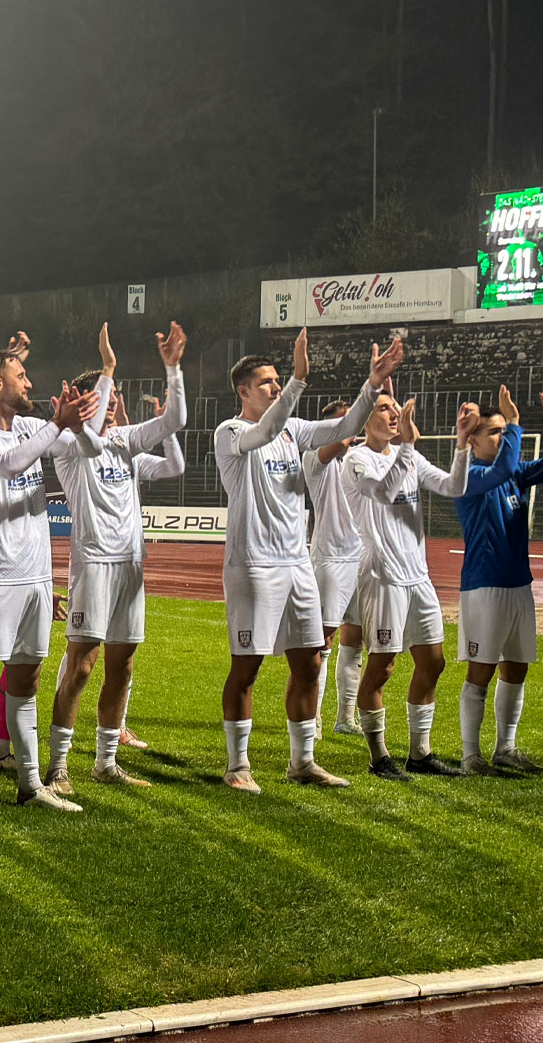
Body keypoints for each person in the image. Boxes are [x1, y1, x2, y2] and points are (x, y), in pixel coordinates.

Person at [214, 330, 402, 793]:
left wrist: (372, 387)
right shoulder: (232, 432)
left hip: (297, 564)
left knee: (309, 663)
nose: (276, 387)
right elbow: (266, 431)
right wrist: (298, 382)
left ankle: (303, 761)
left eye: (278, 381)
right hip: (253, 566)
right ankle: (238, 765)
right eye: (267, 382)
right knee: (247, 668)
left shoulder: (293, 431)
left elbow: (342, 429)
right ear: (242, 391)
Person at [0, 325, 102, 821]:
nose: (29, 382)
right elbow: (12, 465)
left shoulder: (36, 427)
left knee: (27, 681)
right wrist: (58, 425)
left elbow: (91, 453)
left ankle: (31, 784)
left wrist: (78, 423)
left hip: (35, 577)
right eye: (21, 373)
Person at [44, 321, 187, 792]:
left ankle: (106, 763)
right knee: (81, 666)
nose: (113, 405)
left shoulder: (123, 444)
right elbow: (88, 437)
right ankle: (58, 766)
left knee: (122, 667)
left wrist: (173, 370)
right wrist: (106, 369)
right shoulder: (70, 444)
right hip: (94, 566)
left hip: (131, 565)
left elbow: (173, 425)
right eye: (103, 399)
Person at [342, 394, 475, 781]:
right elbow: (383, 491)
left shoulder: (409, 457)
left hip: (418, 576)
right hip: (382, 577)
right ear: (364, 420)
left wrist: (462, 444)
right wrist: (407, 448)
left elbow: (454, 487)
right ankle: (378, 756)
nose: (394, 412)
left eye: (395, 407)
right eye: (384, 408)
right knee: (382, 667)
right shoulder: (356, 460)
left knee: (433, 661)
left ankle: (420, 753)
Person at [451, 381, 543, 775]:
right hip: (485, 585)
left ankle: (506, 747)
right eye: (495, 431)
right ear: (472, 441)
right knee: (481, 669)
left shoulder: (512, 473)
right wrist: (517, 421)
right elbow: (504, 465)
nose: (503, 437)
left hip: (519, 584)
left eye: (505, 430)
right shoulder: (469, 474)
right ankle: (471, 755)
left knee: (516, 666)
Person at [305, 401, 365, 736]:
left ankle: (346, 718)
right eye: (339, 425)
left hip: (364, 558)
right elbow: (334, 446)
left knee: (355, 638)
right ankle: (313, 718)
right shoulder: (316, 461)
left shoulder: (362, 462)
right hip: (331, 561)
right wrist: (346, 430)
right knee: (322, 642)